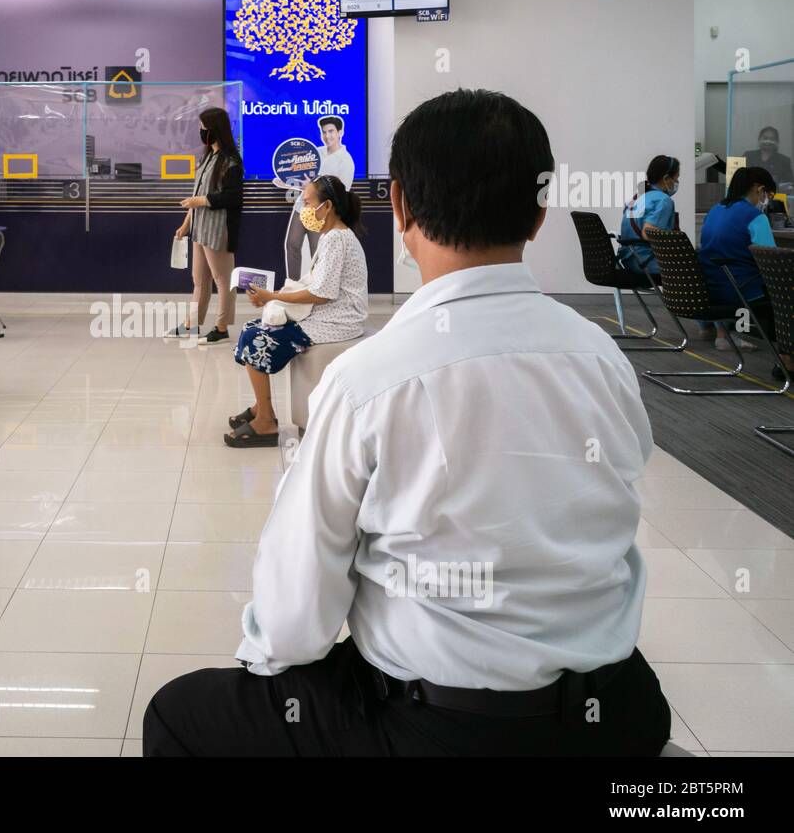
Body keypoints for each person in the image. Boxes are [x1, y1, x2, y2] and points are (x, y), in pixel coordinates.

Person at [143, 88, 670, 757]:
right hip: (616, 713)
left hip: (435, 724)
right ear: (539, 214)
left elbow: (294, 623)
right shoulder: (604, 360)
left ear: (399, 205)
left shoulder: (369, 381)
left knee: (177, 715)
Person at [225, 175, 368, 448]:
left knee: (256, 338)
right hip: (326, 314)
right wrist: (274, 297)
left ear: (326, 207)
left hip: (338, 321)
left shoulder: (337, 239)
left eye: (307, 202)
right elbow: (315, 285)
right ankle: (261, 408)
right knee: (250, 328)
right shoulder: (331, 236)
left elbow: (321, 293)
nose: (303, 209)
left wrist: (274, 296)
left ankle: (266, 422)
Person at [697, 165, 793, 378]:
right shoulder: (754, 217)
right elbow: (771, 262)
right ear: (758, 189)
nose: (767, 199)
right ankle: (786, 355)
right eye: (768, 194)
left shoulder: (715, 210)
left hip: (710, 286)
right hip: (739, 289)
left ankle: (725, 332)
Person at [174, 107, 243, 345]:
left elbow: (232, 197)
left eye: (203, 127)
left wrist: (200, 201)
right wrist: (185, 225)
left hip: (218, 230)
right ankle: (191, 325)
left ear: (214, 130)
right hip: (200, 229)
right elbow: (197, 194)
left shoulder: (231, 162)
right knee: (199, 280)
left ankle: (221, 327)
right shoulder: (207, 158)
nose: (200, 131)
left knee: (222, 280)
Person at [282, 115, 355, 281]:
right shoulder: (316, 152)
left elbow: (341, 192)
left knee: (317, 251)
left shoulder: (346, 161)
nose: (327, 136)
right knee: (292, 244)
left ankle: (316, 287)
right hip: (302, 206)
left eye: (331, 131)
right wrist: (286, 179)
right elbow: (299, 174)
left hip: (322, 211)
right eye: (324, 132)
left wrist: (313, 186)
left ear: (340, 132)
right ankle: (292, 285)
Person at [617, 155, 679, 280]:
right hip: (647, 263)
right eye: (676, 178)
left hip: (628, 260)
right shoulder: (663, 200)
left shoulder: (637, 198)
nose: (677, 182)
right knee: (700, 267)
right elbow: (648, 233)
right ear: (666, 178)